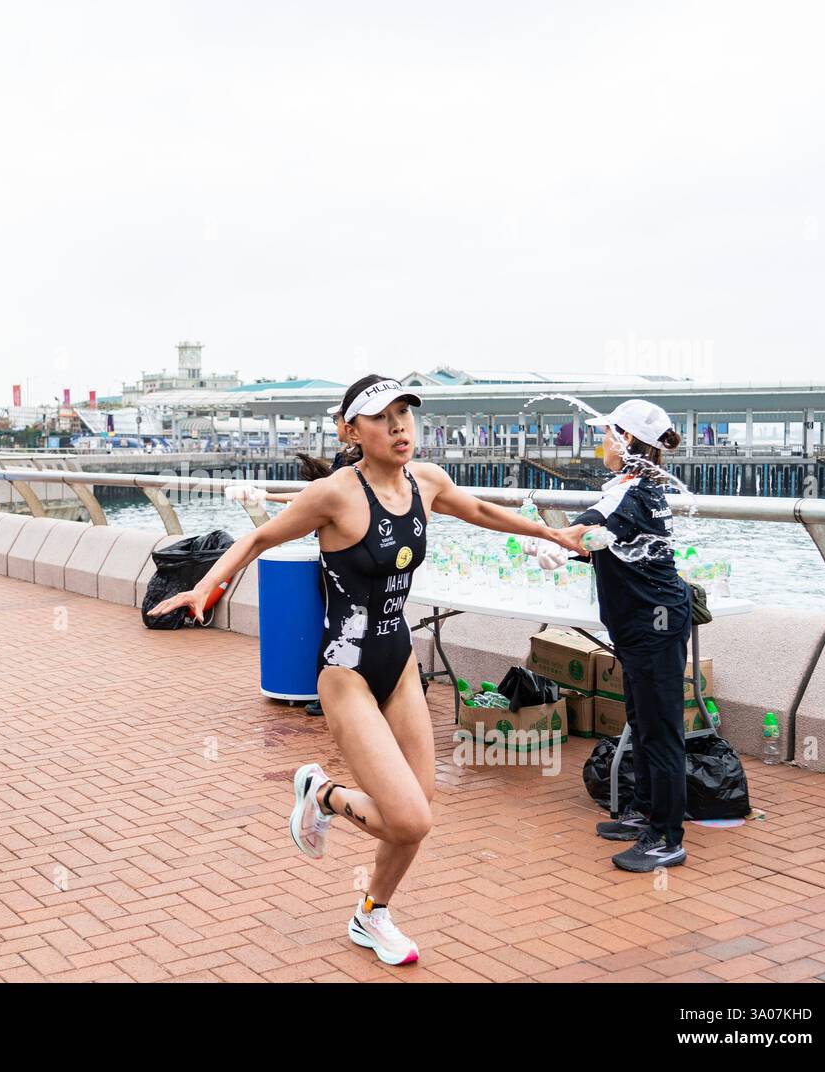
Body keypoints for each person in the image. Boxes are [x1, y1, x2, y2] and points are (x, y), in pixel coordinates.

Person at [149, 375, 587, 965]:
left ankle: (371, 914)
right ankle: (322, 794)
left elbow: (481, 509)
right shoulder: (335, 494)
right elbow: (257, 537)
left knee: (417, 815)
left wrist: (550, 532)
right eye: (383, 417)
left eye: (406, 413)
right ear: (351, 430)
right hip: (347, 672)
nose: (400, 426)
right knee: (408, 820)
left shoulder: (426, 482)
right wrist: (206, 587)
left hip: (399, 662)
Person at [573, 400, 692, 873]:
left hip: (655, 625)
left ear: (625, 440)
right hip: (642, 624)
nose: (602, 441)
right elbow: (610, 544)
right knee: (642, 721)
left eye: (607, 434)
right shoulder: (637, 487)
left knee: (661, 731)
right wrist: (578, 550)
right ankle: (644, 812)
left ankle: (667, 837)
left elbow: (584, 529)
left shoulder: (627, 493)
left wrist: (554, 542)